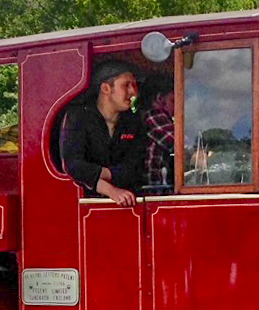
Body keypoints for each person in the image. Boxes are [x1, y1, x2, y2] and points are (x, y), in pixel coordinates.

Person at [59, 60, 146, 206]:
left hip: (128, 202)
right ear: (106, 88)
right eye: (126, 85)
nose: (133, 92)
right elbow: (73, 164)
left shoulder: (133, 122)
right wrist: (111, 190)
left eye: (134, 85)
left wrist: (105, 174)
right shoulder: (78, 116)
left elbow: (135, 166)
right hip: (81, 203)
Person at [142, 90, 175, 190]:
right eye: (173, 101)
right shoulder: (155, 115)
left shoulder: (165, 119)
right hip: (153, 187)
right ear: (159, 98)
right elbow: (177, 142)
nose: (176, 107)